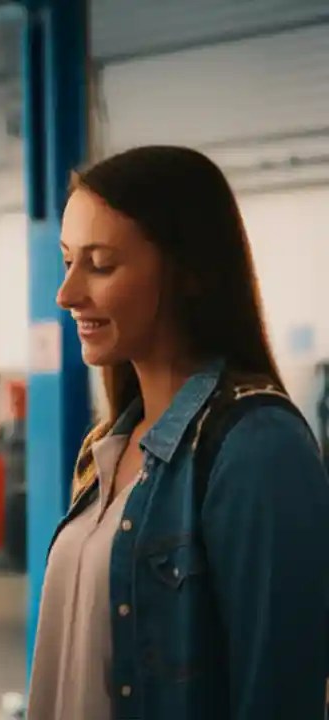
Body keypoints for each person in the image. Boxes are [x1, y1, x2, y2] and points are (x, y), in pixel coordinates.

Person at [27, 145, 329, 719]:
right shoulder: (105, 451)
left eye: (101, 263)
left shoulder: (257, 448)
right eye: (68, 261)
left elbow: (279, 693)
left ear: (189, 272)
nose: (67, 294)